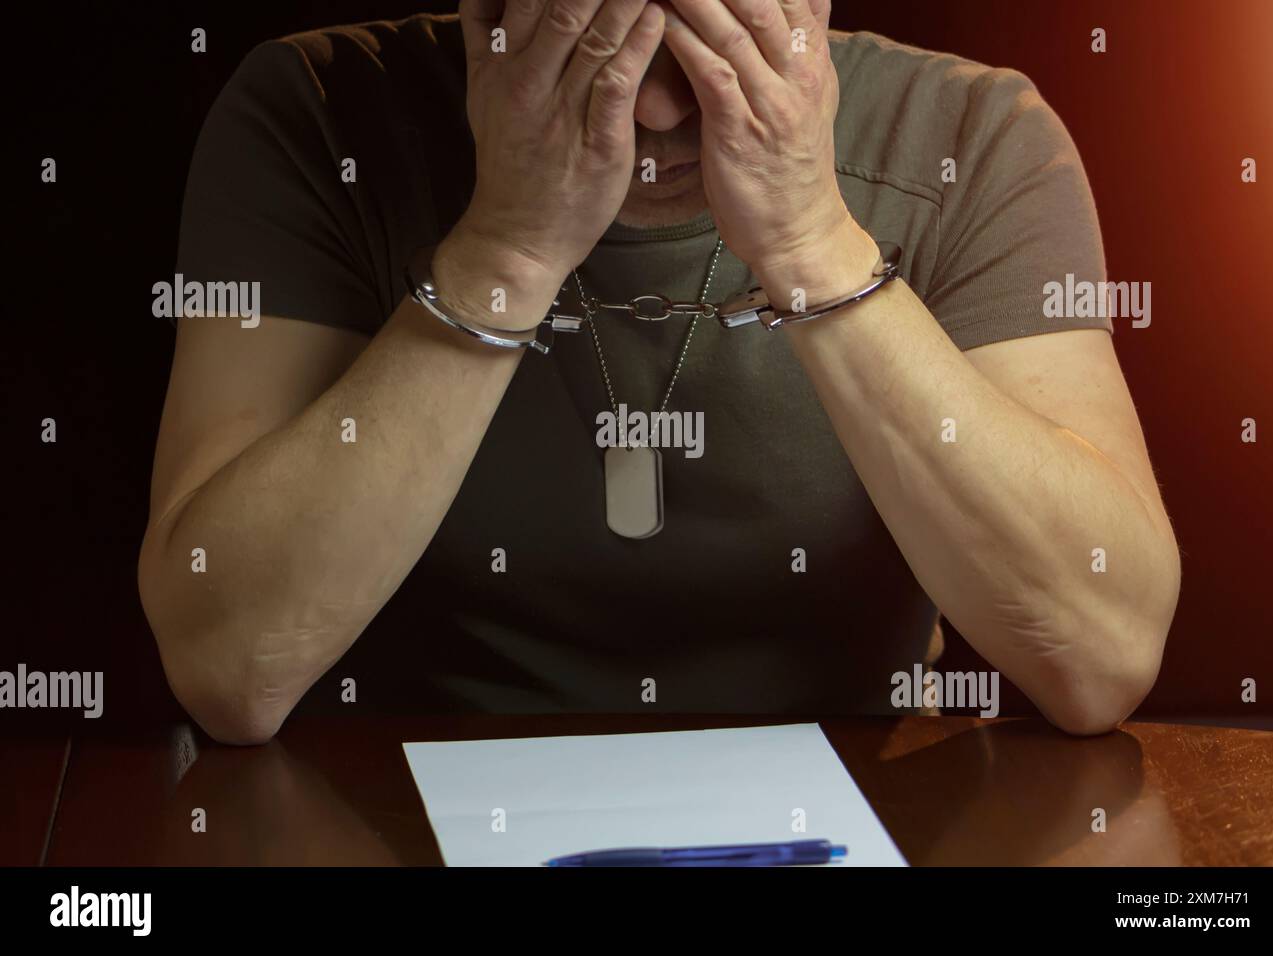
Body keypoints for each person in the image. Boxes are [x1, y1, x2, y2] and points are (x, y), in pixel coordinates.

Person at [138, 0, 1180, 745]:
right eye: (596, 38)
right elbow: (230, 667)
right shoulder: (314, 114)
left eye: (713, 31)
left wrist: (812, 241)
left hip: (852, 808)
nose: (656, 114)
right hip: (391, 807)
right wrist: (506, 252)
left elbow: (1099, 652)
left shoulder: (971, 136)